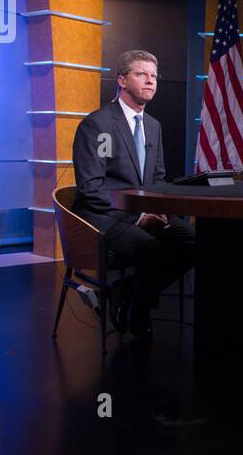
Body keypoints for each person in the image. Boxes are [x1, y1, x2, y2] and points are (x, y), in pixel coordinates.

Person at [71, 49, 194, 338]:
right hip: (104, 216)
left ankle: (124, 290)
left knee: (192, 242)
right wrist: (139, 217)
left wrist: (163, 208)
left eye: (153, 76)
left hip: (141, 211)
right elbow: (91, 188)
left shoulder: (153, 127)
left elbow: (158, 178)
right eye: (141, 74)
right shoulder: (98, 125)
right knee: (155, 250)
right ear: (122, 80)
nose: (150, 81)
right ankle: (139, 309)